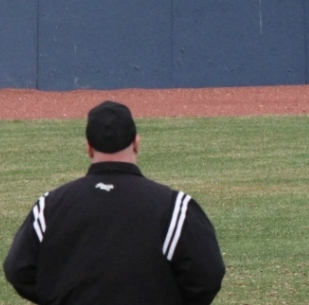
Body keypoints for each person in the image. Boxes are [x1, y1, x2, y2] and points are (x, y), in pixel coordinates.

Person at [3, 100, 225, 304]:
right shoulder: (175, 207)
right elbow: (207, 275)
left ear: (89, 147)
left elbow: (18, 270)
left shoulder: (50, 207)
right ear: (136, 144)